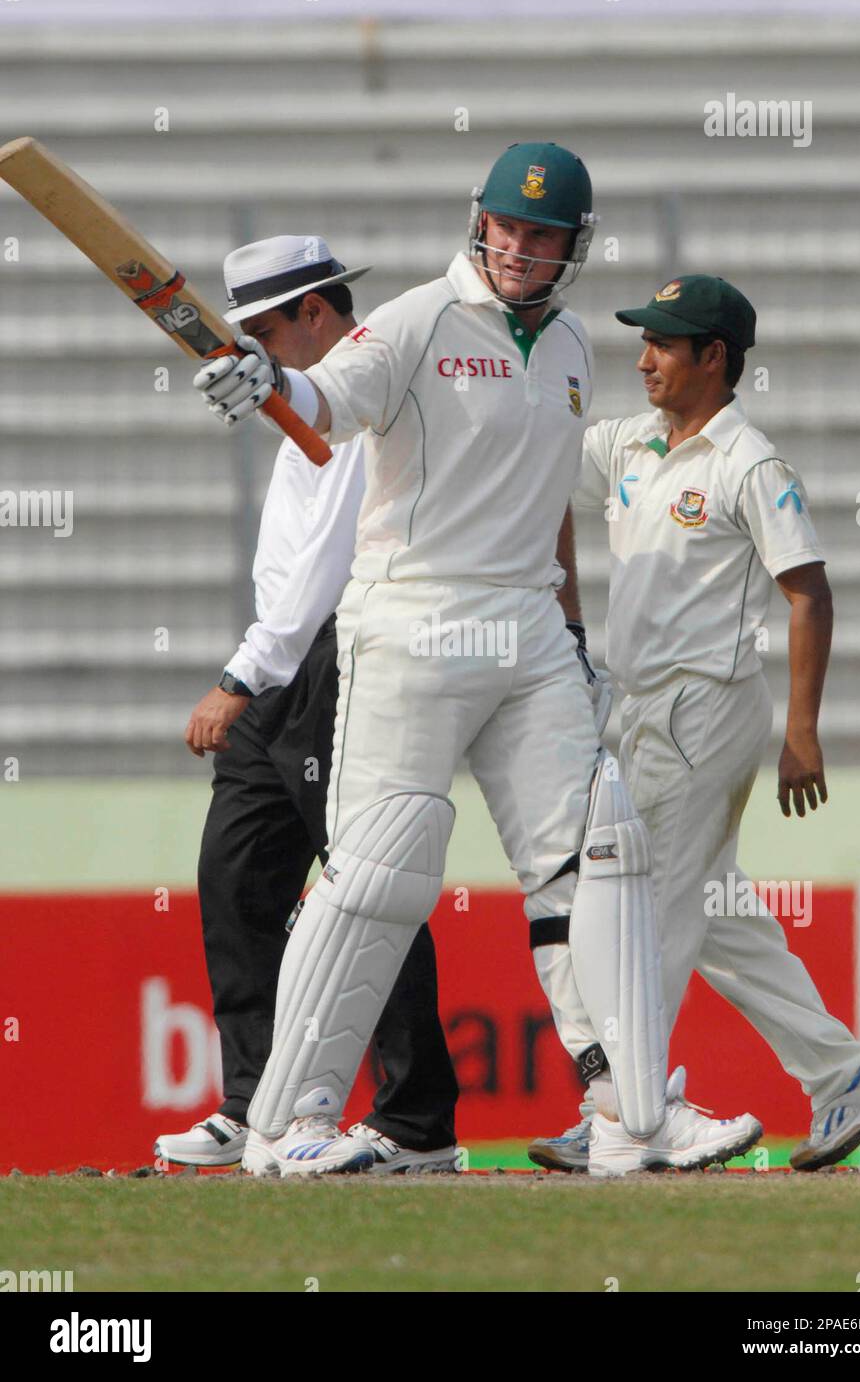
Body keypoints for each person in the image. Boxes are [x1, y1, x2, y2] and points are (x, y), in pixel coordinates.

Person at [194, 146, 761, 1178]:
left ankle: (627, 1109)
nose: (519, 248)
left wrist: (575, 638)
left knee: (598, 857)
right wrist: (270, 380)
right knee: (378, 869)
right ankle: (292, 1118)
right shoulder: (415, 319)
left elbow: (548, 509)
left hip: (531, 632)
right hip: (412, 617)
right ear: (479, 224)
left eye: (543, 236)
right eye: (507, 227)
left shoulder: (580, 348)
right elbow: (327, 402)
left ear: (570, 250)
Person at [528, 275, 860, 1173]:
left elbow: (807, 592)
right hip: (637, 708)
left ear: (715, 358)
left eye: (664, 343)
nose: (645, 358)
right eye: (644, 340)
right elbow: (535, 468)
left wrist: (802, 733)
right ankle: (844, 1072)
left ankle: (628, 1109)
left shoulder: (750, 462)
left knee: (639, 916)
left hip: (705, 708)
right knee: (718, 915)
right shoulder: (629, 441)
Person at [155, 236, 459, 1175]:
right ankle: (251, 1105)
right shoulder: (294, 397)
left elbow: (325, 569)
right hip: (280, 662)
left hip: (328, 661)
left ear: (315, 315)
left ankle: (416, 1120)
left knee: (365, 890)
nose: (251, 350)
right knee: (237, 880)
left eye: (262, 330)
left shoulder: (356, 399)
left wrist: (241, 678)